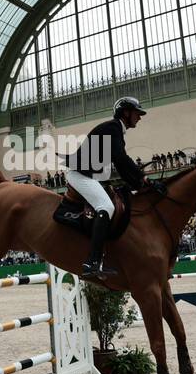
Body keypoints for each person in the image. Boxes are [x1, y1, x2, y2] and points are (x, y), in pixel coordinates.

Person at [62, 96, 162, 280]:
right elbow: (122, 160)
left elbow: (122, 168)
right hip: (79, 174)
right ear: (126, 112)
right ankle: (92, 261)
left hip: (90, 175)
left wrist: (140, 185)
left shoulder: (116, 130)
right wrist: (143, 179)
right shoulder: (113, 128)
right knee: (106, 207)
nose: (139, 117)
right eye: (137, 113)